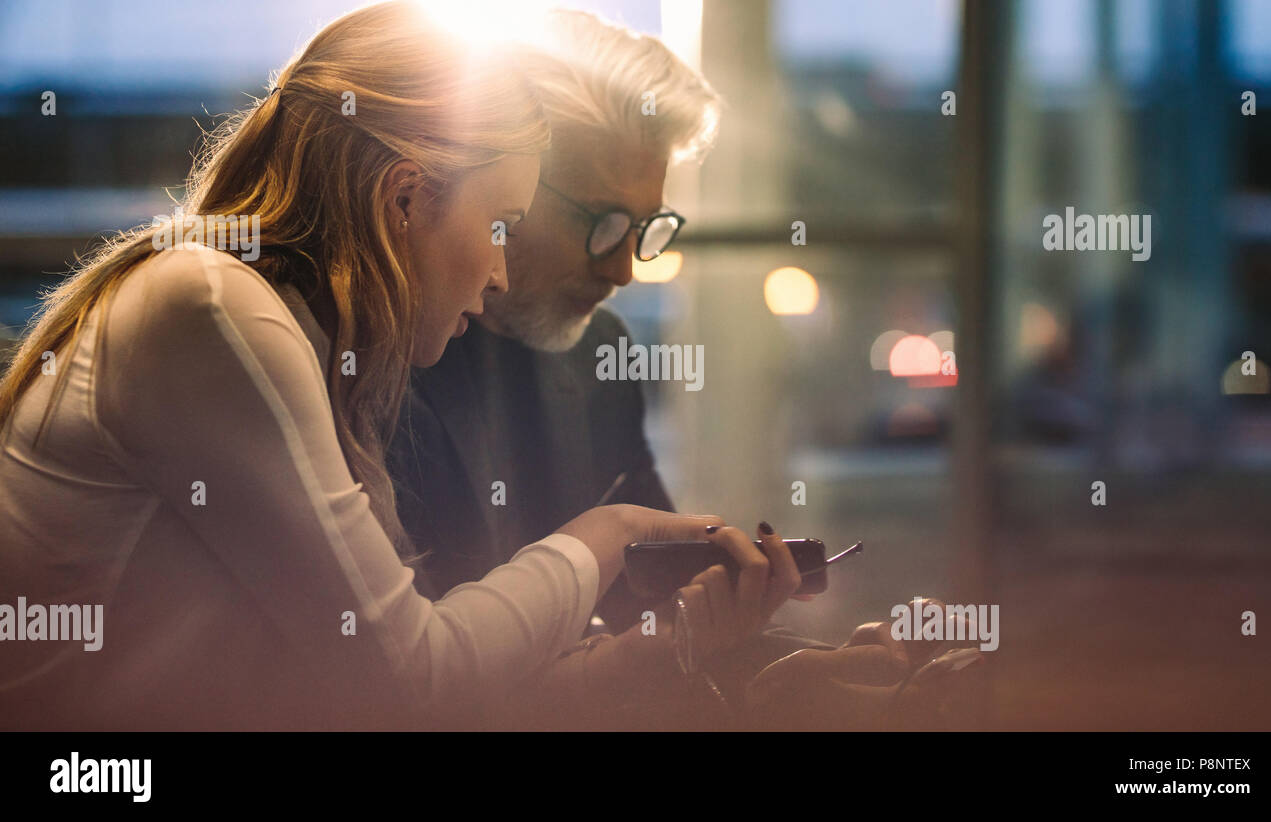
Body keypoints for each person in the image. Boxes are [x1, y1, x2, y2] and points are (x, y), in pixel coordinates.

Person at [0, 1, 798, 731]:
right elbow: (414, 685)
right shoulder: (212, 309)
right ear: (405, 199)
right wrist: (609, 536)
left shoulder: (298, 339)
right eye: (499, 225)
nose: (500, 274)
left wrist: (672, 654)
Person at [387, 10, 984, 729]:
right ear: (505, 189)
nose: (623, 268)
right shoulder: (379, 362)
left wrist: (798, 669)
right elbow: (419, 695)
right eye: (601, 223)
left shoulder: (595, 350)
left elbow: (661, 624)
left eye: (645, 230)